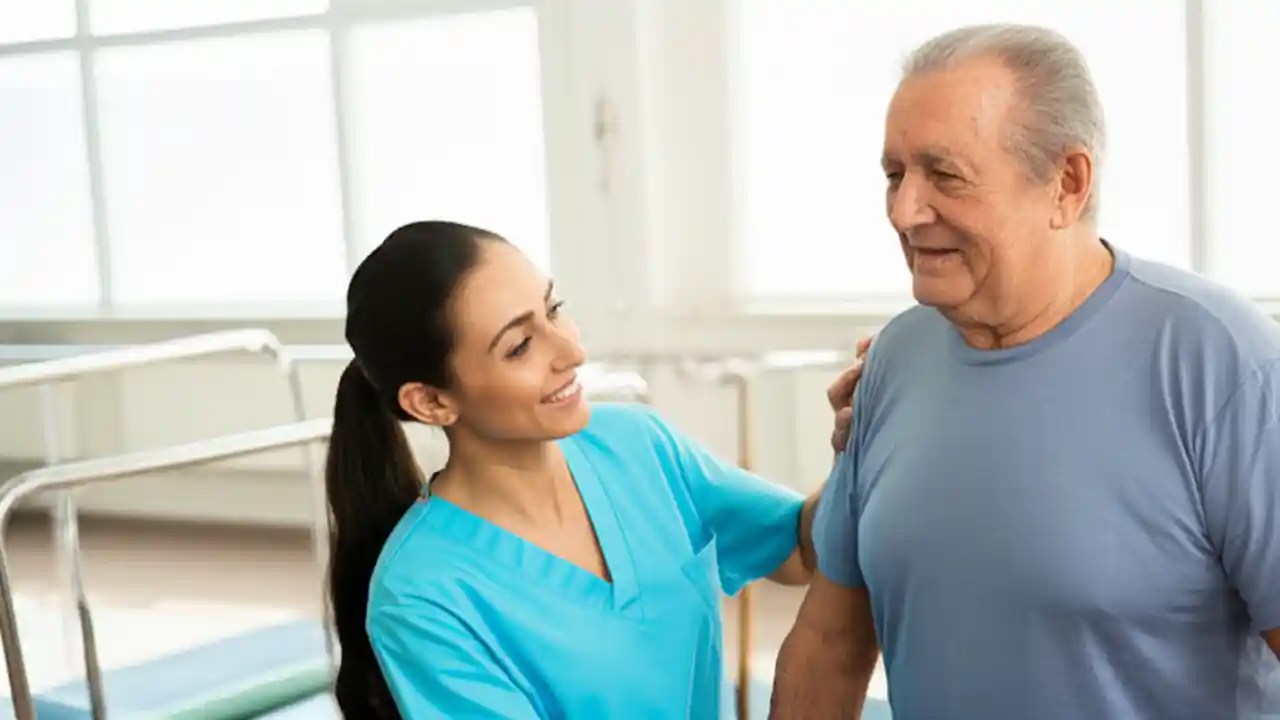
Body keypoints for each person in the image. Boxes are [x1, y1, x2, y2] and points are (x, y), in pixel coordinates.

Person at [772, 23, 1280, 720]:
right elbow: (828, 644)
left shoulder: (1221, 363)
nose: (903, 210)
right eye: (895, 174)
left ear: (1066, 184)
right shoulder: (893, 362)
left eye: (943, 175)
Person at [323, 220, 866, 719]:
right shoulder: (422, 595)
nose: (571, 349)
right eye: (519, 347)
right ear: (431, 402)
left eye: (554, 308)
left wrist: (863, 443)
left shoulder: (636, 444)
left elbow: (798, 547)